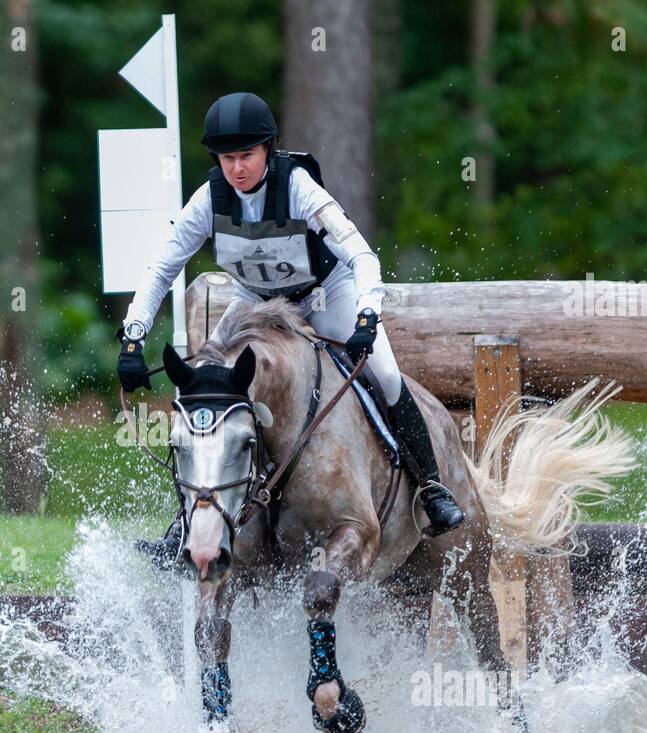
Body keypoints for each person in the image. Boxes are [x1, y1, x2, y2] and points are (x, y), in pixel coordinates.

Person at [117, 92, 463, 563]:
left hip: (324, 295)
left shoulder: (299, 187)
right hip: (253, 303)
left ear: (269, 149)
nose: (236, 168)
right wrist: (134, 336)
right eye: (226, 158)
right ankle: (184, 524)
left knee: (384, 376)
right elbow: (162, 269)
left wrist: (366, 317)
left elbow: (361, 256)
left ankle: (432, 489)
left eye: (246, 156)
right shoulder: (209, 199)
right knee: (207, 384)